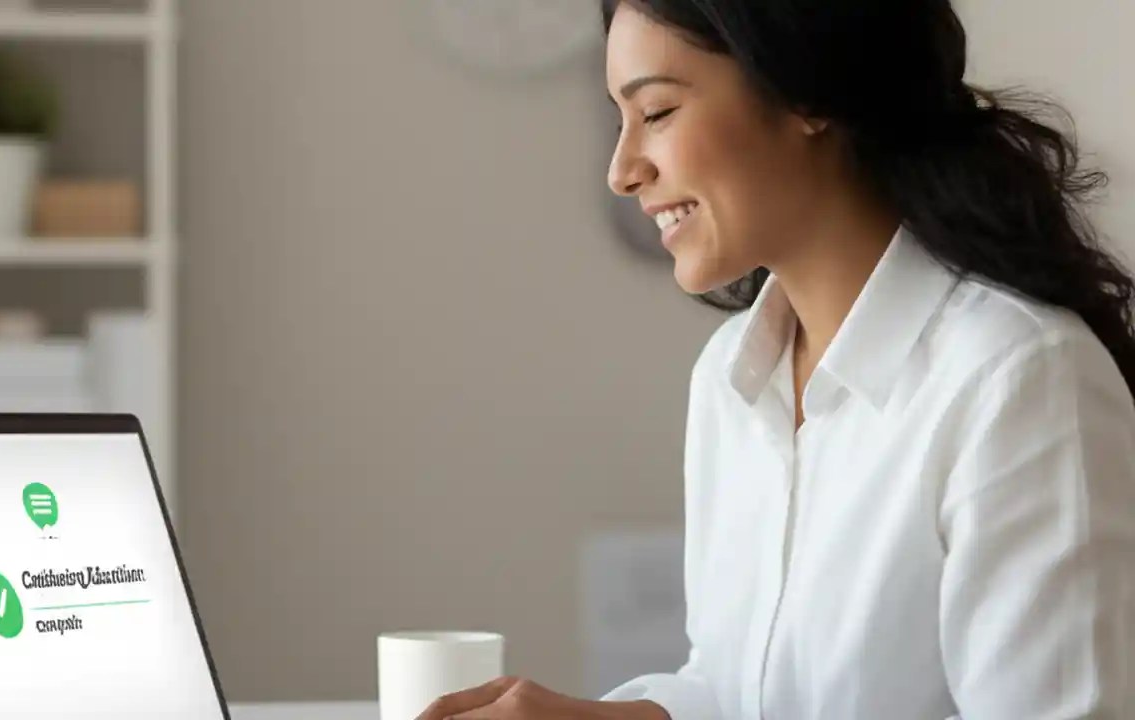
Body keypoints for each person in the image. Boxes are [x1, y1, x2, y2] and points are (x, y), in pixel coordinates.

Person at [417, 0, 1135, 718]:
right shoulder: (733, 375)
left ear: (808, 95)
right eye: (620, 120)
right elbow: (737, 691)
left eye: (658, 112)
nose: (623, 170)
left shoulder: (1017, 378)